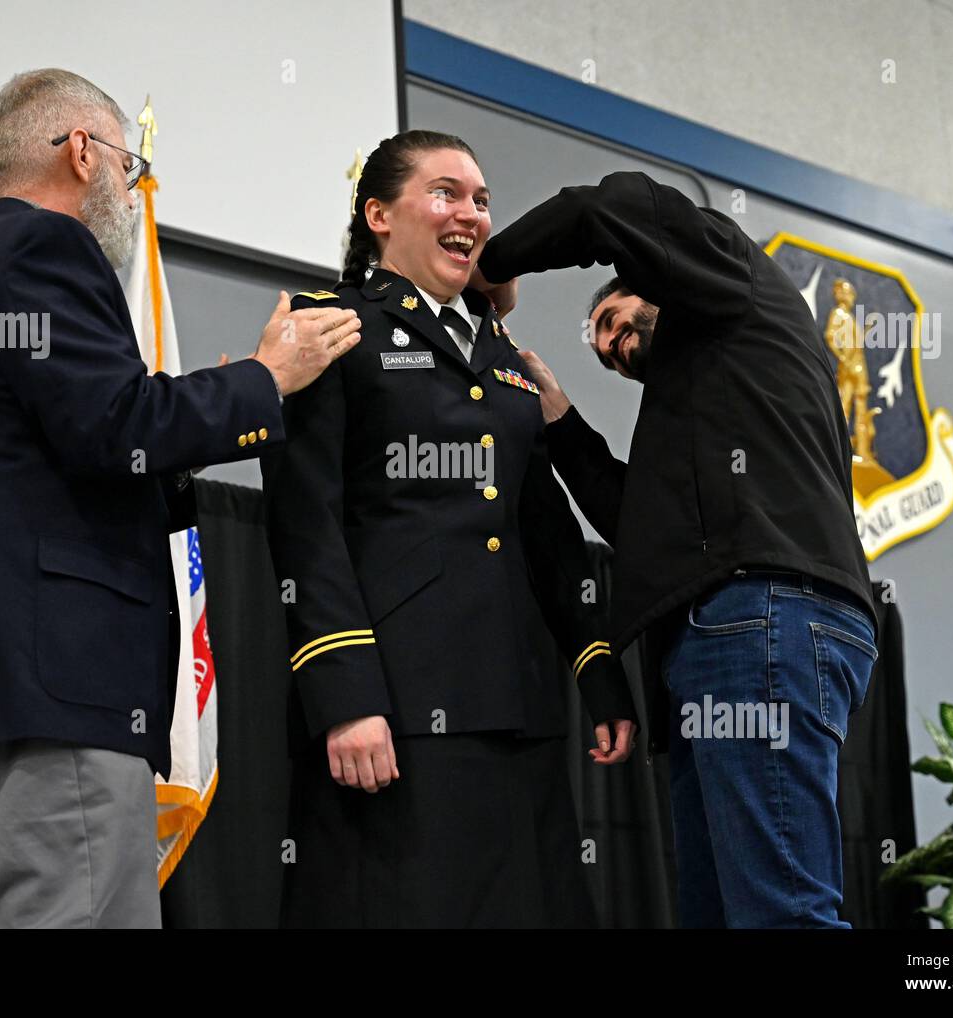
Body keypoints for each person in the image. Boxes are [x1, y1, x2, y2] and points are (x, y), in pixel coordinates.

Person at [0, 68, 360, 928]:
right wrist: (266, 379)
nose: (133, 184)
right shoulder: (45, 248)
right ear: (81, 151)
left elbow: (68, 451)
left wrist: (193, 416)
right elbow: (116, 424)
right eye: (129, 162)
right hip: (55, 695)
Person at [476, 170, 878, 928]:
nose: (619, 348)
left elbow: (607, 207)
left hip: (761, 615)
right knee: (724, 914)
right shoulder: (716, 396)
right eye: (606, 351)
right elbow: (642, 529)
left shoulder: (730, 275)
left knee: (778, 914)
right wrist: (559, 417)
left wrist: (495, 266)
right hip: (742, 627)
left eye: (620, 322)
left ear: (654, 278)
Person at [261, 131, 637, 928]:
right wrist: (346, 696)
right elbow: (307, 522)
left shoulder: (503, 358)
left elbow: (544, 529)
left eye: (481, 200)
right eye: (445, 193)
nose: (471, 213)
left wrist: (595, 663)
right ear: (379, 215)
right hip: (399, 709)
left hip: (518, 705)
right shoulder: (330, 326)